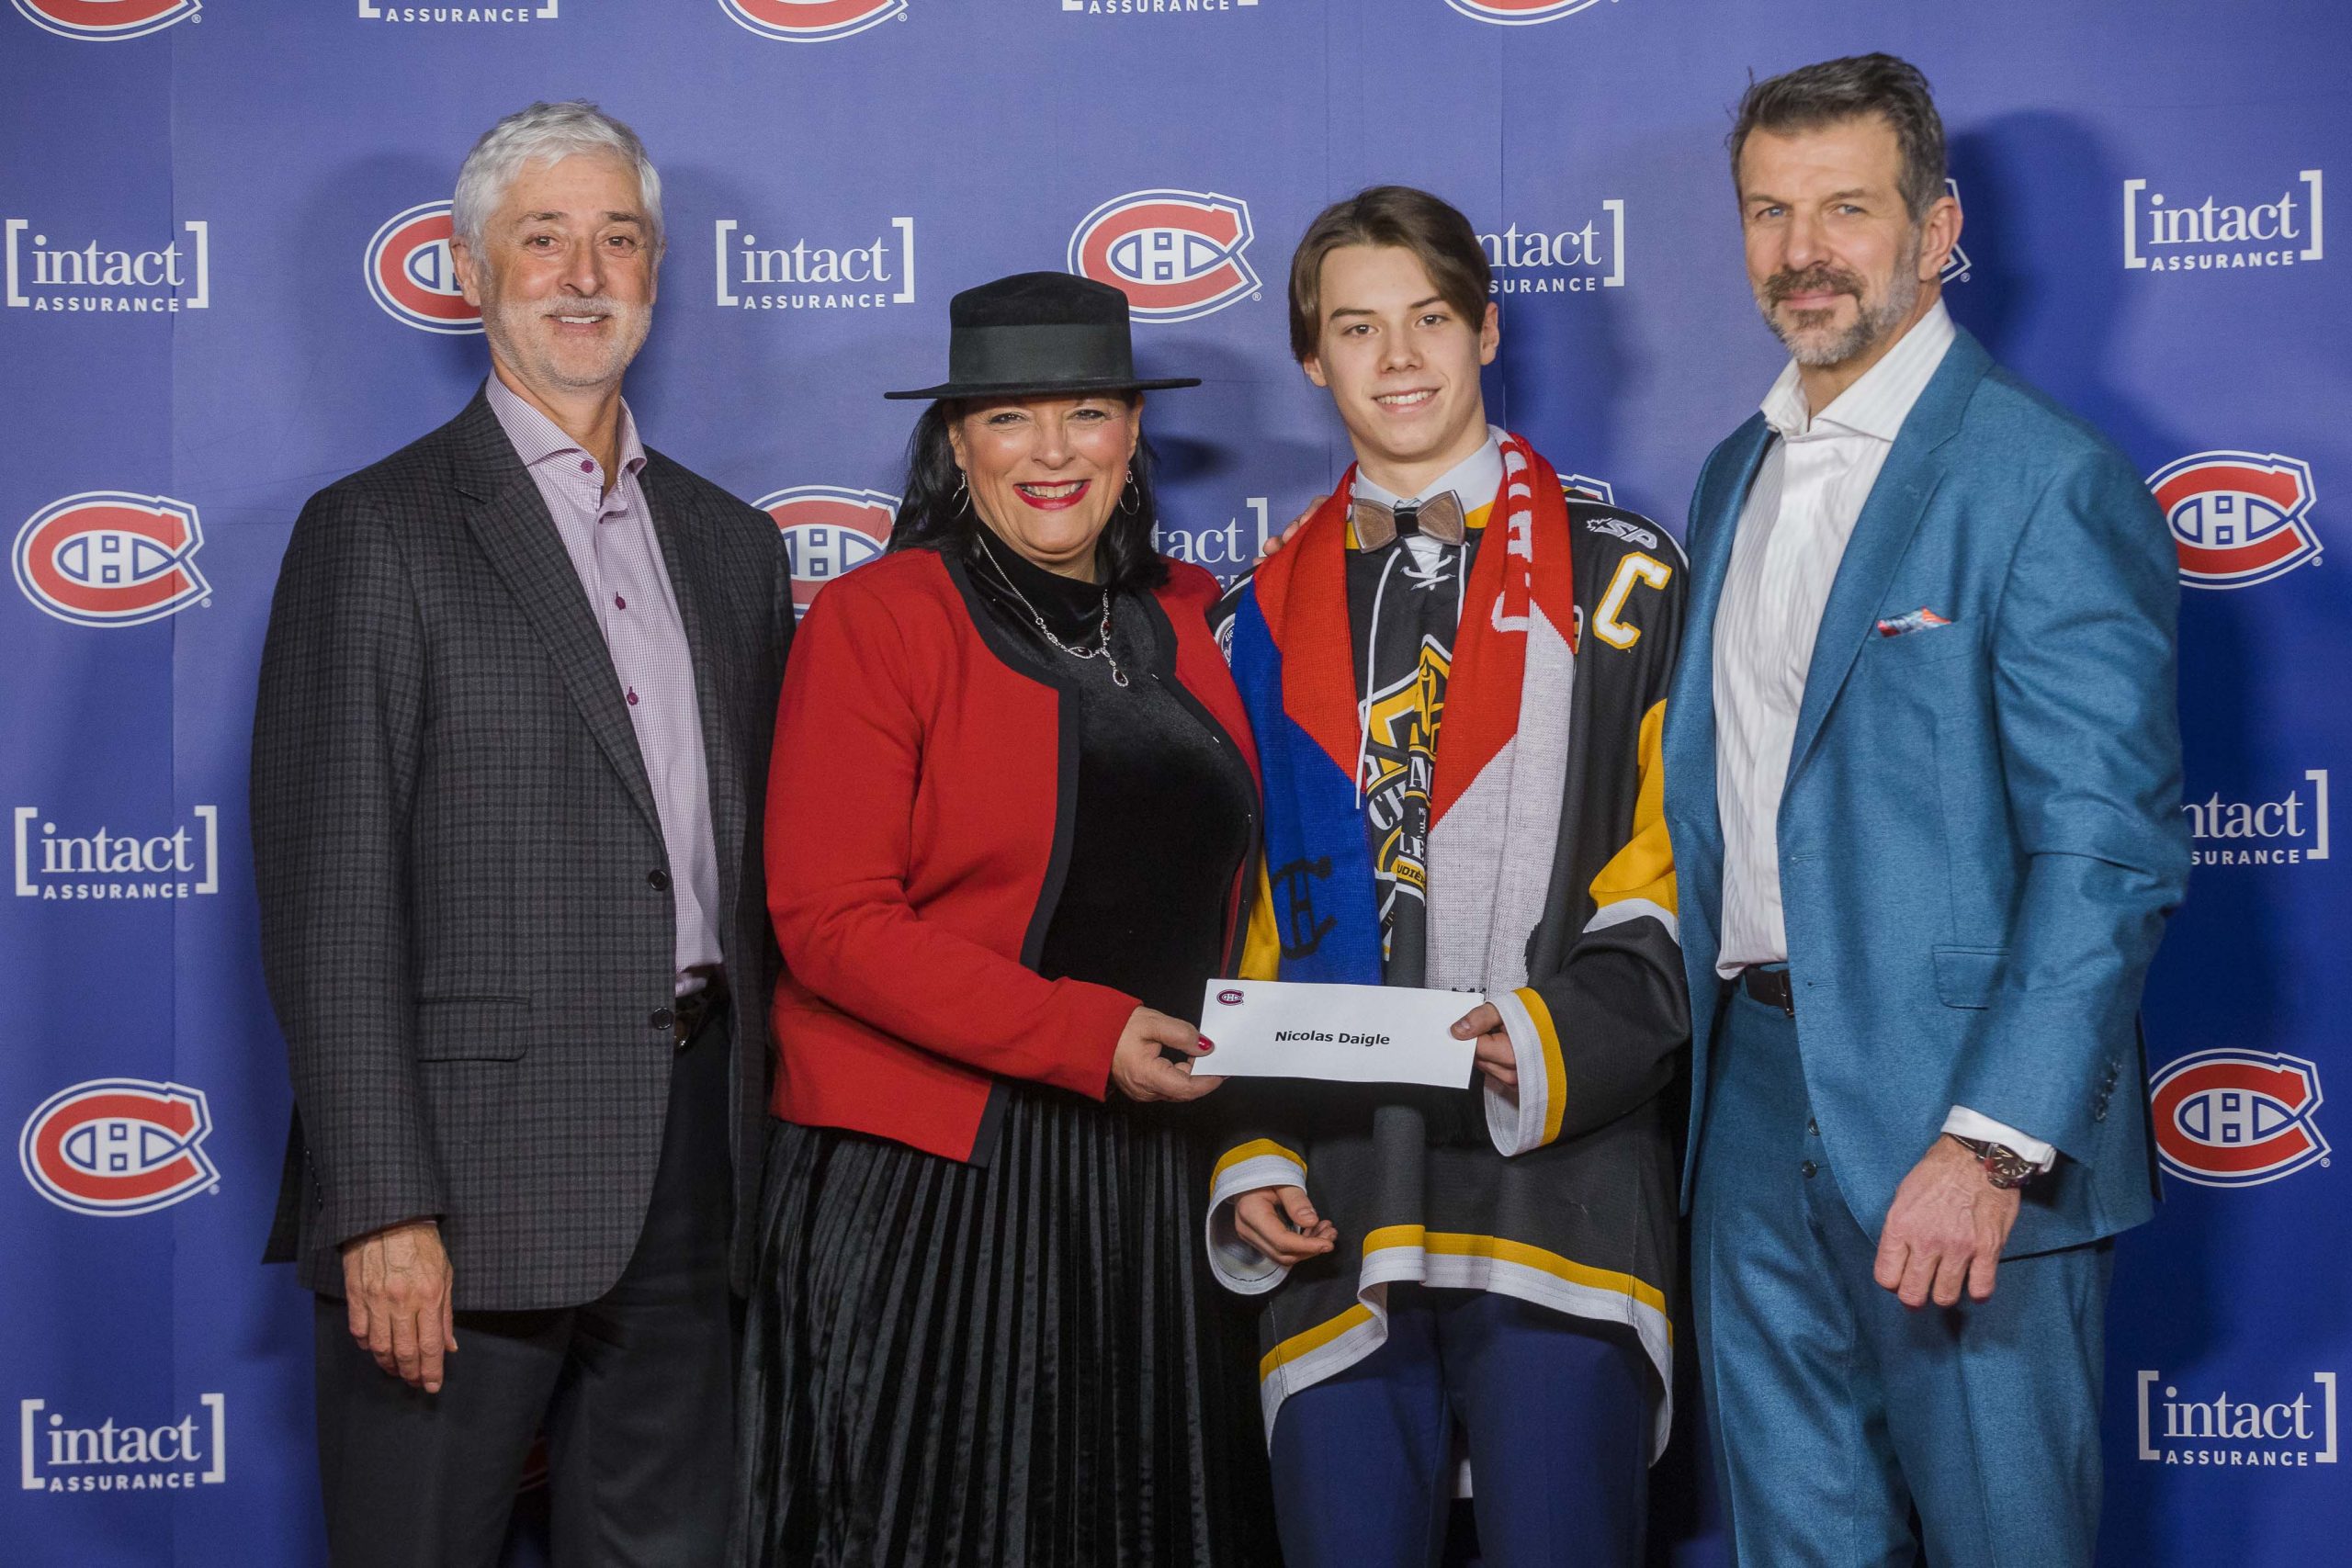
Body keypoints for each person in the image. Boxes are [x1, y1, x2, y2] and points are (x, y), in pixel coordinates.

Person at [1662, 54, 2189, 1565]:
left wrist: (1996, 1144)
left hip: (1963, 1124)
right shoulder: (1730, 476)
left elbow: (2108, 847)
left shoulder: (2045, 480)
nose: (1802, 249)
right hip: (1752, 1113)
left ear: (1938, 226)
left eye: (1847, 208)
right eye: (1770, 212)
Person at [250, 100, 793, 1564]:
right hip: (460, 1183)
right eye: (541, 237)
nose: (583, 271)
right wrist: (381, 1206)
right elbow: (328, 902)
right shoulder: (376, 530)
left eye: (618, 239)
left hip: (695, 1166)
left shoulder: (735, 546)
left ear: (658, 273)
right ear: (467, 269)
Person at [734, 270, 1275, 1568]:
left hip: (1155, 1180)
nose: (1050, 452)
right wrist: (1081, 1036)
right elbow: (830, 922)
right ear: (954, 441)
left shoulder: (1193, 617)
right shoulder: (880, 620)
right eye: (1008, 418)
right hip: (937, 1177)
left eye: (1086, 411)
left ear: (1132, 432)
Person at [1206, 186, 1688, 1568]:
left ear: (1488, 328)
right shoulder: (1254, 619)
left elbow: (1678, 883)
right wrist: (1250, 1149)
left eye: (1428, 318)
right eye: (1356, 328)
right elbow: (1235, 927)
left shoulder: (1629, 584)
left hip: (1563, 1186)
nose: (1398, 357)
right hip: (1338, 1197)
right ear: (1313, 359)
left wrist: (1549, 1037)